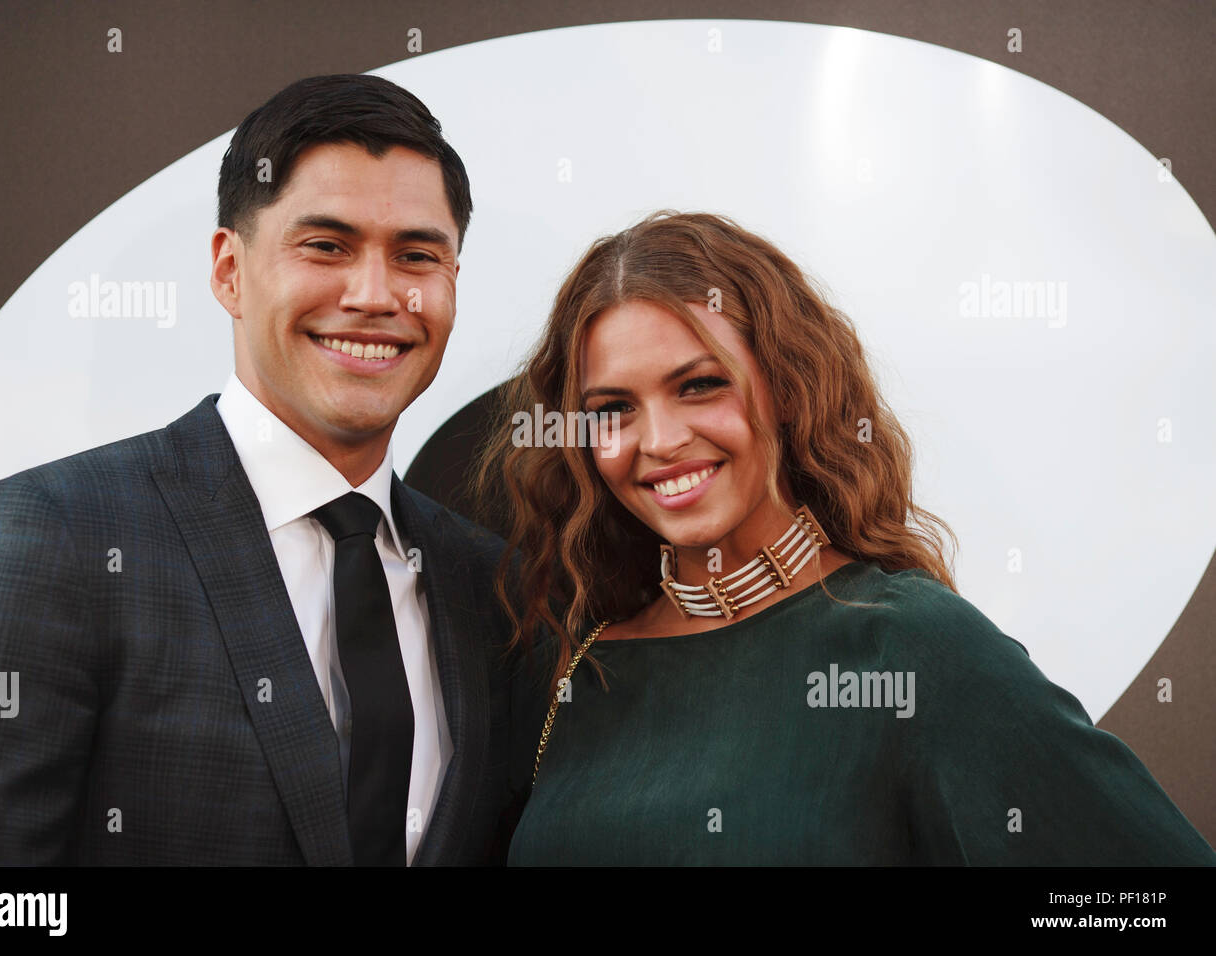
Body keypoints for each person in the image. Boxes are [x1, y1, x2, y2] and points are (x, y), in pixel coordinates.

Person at [0, 74, 545, 866]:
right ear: (228, 270)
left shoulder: (491, 587)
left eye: (417, 255)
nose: (375, 294)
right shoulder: (51, 536)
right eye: (326, 246)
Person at [478, 210, 1216, 865]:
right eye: (614, 409)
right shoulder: (573, 664)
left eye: (699, 385)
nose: (661, 440)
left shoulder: (910, 646)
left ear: (789, 387)